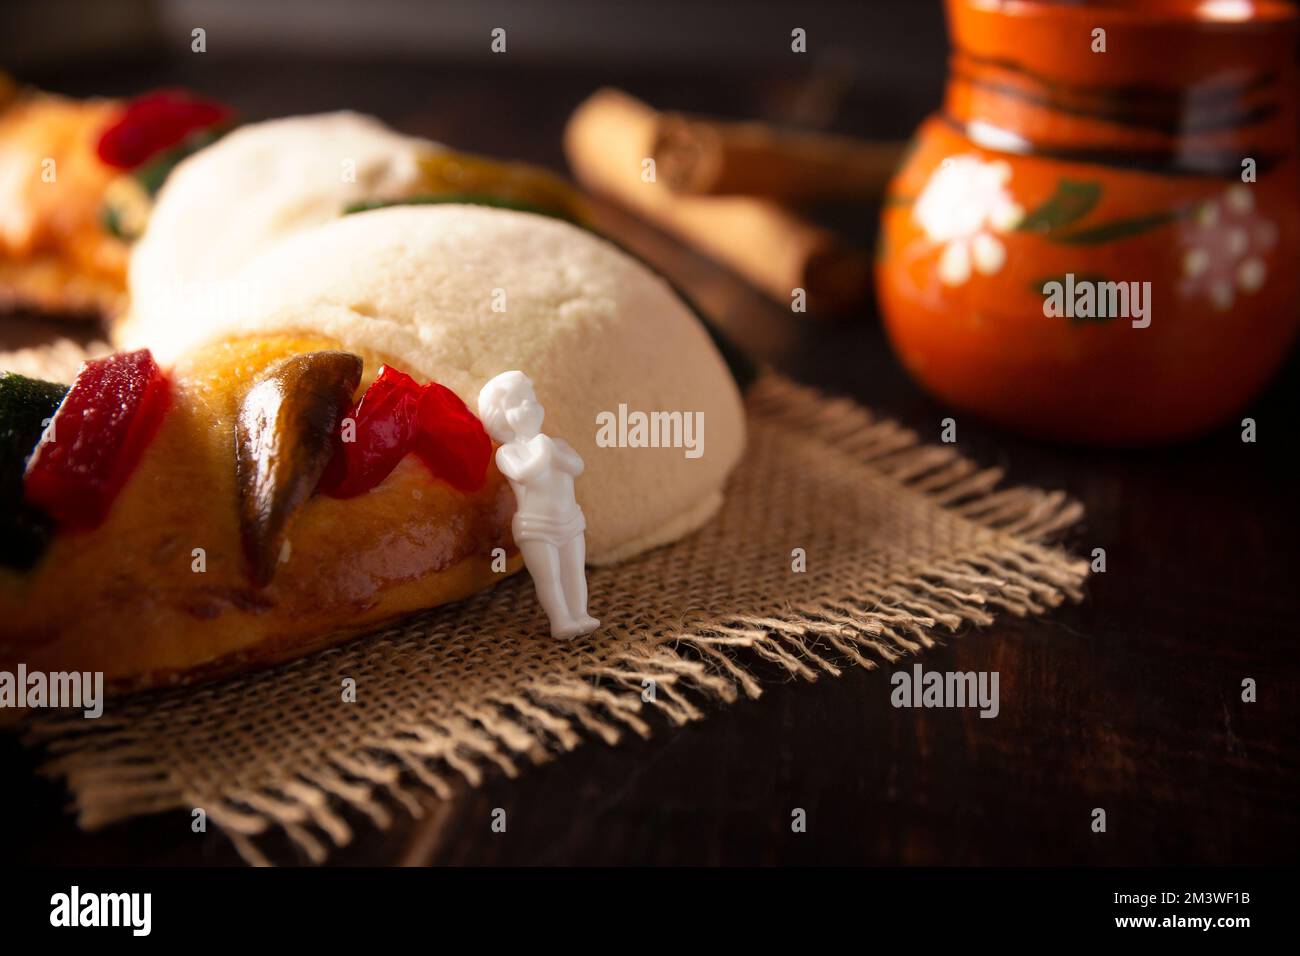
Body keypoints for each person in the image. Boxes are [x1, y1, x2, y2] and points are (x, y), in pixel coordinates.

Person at [477, 371, 599, 639]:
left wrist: (550, 449)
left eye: (532, 400)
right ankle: (561, 620)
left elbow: (576, 466)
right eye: (518, 403)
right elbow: (524, 474)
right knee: (550, 577)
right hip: (536, 527)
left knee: (574, 571)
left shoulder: (557, 444)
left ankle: (580, 614)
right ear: (501, 418)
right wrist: (543, 451)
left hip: (570, 519)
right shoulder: (509, 453)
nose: (529, 407)